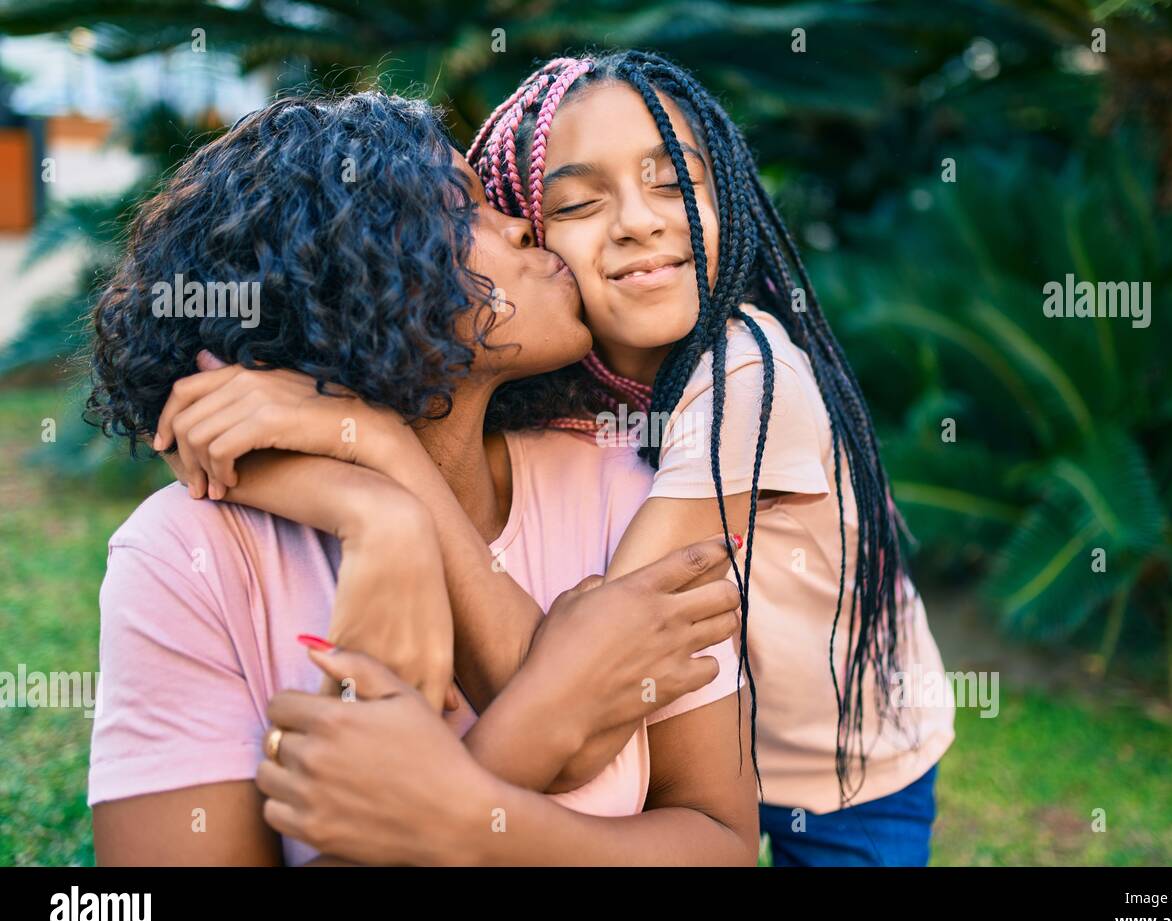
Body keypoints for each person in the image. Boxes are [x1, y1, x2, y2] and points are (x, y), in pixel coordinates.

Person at [87, 92, 757, 865]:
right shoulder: (188, 559)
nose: (520, 225)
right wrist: (532, 730)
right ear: (358, 275)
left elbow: (720, 842)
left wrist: (387, 468)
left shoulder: (623, 491)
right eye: (464, 208)